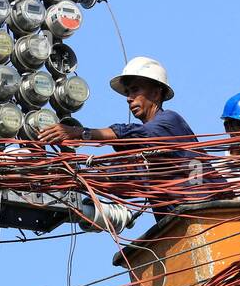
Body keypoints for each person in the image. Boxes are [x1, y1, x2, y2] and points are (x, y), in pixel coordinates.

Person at [39, 56, 214, 218]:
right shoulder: (146, 157)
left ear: (156, 93)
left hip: (212, 214)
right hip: (182, 223)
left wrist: (79, 132)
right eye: (128, 92)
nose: (129, 99)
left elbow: (132, 134)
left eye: (135, 90)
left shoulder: (169, 122)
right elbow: (121, 177)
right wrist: (68, 174)